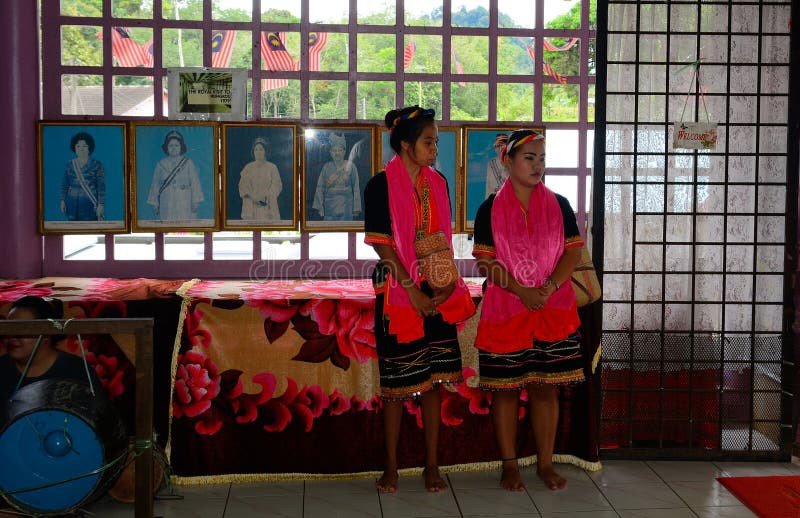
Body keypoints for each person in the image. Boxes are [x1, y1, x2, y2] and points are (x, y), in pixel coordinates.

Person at [364, 106, 476, 493]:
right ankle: (391, 467)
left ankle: (432, 464)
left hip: (439, 290)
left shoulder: (439, 182)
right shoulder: (379, 185)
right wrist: (412, 290)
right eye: (428, 142)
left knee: (434, 383)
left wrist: (444, 285)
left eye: (436, 142)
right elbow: (382, 246)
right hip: (398, 291)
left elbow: (442, 238)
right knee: (395, 387)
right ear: (406, 144)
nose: (434, 149)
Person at [472, 129, 584, 491]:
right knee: (505, 390)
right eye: (529, 158)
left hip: (553, 308)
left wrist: (547, 288)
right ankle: (510, 465)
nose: (538, 166)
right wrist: (522, 290)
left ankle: (545, 464)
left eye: (542, 158)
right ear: (507, 161)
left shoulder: (561, 204)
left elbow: (572, 252)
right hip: (507, 309)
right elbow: (486, 262)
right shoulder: (489, 209)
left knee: (544, 389)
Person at [1, 296, 101, 401]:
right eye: (8, 328)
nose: (11, 337)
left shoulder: (78, 372)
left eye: (22, 329)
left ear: (46, 334)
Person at [147, 130, 204, 220]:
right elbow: (155, 184)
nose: (174, 148)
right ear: (166, 148)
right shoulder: (160, 164)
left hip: (184, 199)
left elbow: (195, 182)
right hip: (166, 200)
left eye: (177, 145)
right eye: (171, 145)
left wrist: (195, 201)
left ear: (181, 147)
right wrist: (155, 203)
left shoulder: (188, 163)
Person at [312, 133, 362, 221]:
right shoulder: (326, 167)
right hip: (330, 207)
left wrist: (356, 208)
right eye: (334, 150)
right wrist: (320, 206)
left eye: (339, 150)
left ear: (344, 151)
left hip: (347, 207)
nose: (337, 153)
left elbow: (356, 188)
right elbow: (320, 187)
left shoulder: (351, 166)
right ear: (330, 152)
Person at [60, 131, 105, 221]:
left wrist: (101, 205)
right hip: (71, 204)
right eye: (78, 146)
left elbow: (101, 187)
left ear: (89, 148)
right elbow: (65, 184)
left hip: (90, 204)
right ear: (74, 148)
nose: (81, 149)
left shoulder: (97, 165)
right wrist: (62, 201)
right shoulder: (70, 164)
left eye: (84, 146)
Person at [238, 137, 282, 222]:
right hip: (251, 205)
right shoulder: (248, 167)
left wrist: (265, 196)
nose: (258, 152)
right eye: (256, 149)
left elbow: (277, 185)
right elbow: (243, 186)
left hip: (267, 204)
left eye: (261, 149)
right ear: (253, 152)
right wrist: (254, 197)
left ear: (265, 151)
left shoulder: (272, 167)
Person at [484, 133, 509, 199]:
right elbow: (488, 187)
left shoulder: (513, 161)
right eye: (497, 146)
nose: (500, 149)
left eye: (502, 146)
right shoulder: (491, 163)